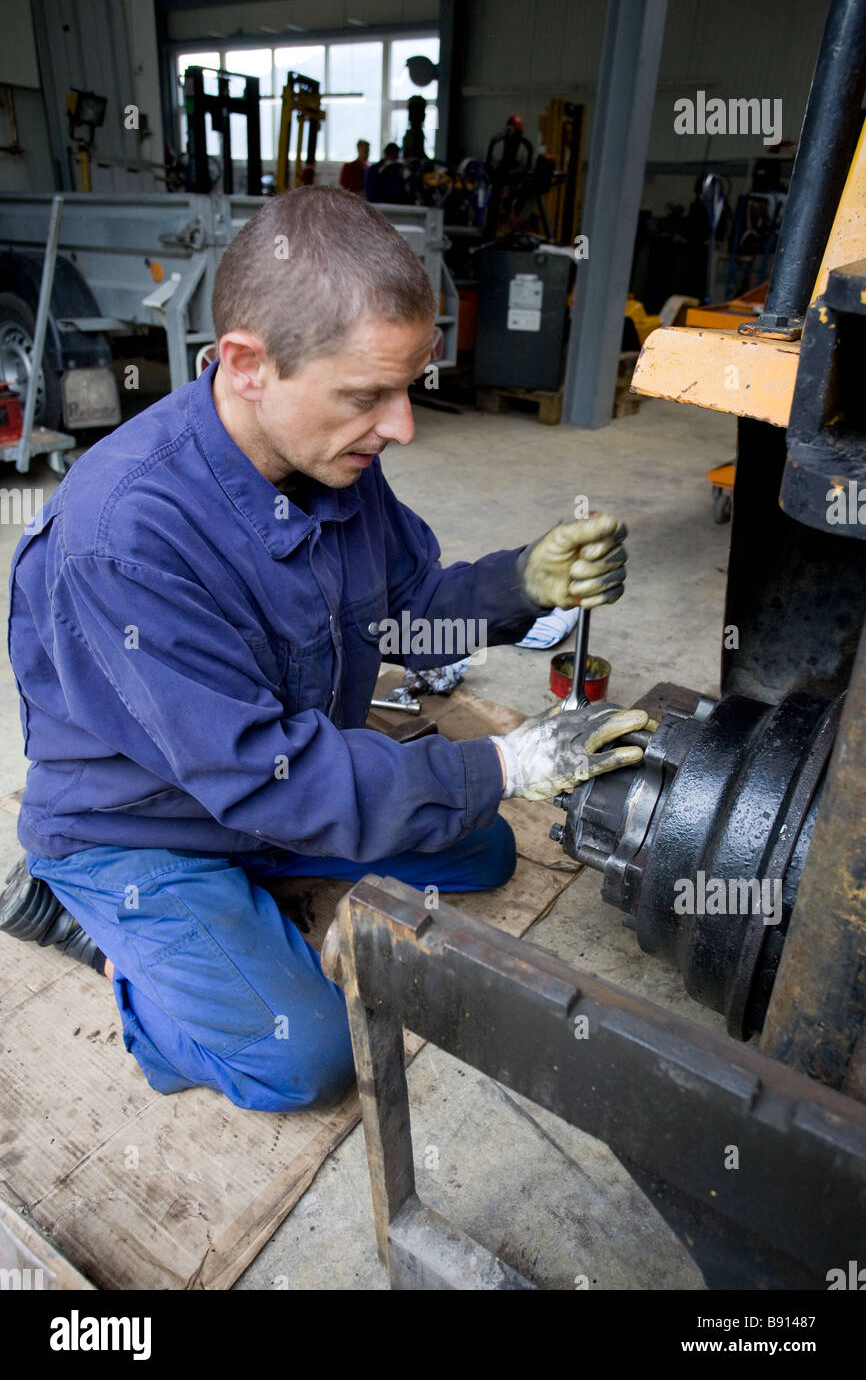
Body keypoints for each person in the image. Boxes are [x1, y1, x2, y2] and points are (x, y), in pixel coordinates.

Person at [4, 187, 644, 1113]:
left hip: (275, 794)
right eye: (367, 395)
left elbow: (410, 609)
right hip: (146, 827)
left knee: (484, 851)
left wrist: (523, 584)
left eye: (407, 388)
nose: (402, 425)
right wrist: (507, 757)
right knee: (300, 1058)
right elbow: (269, 774)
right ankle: (105, 943)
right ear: (246, 364)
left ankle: (251, 902)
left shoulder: (333, 463)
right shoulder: (124, 535)